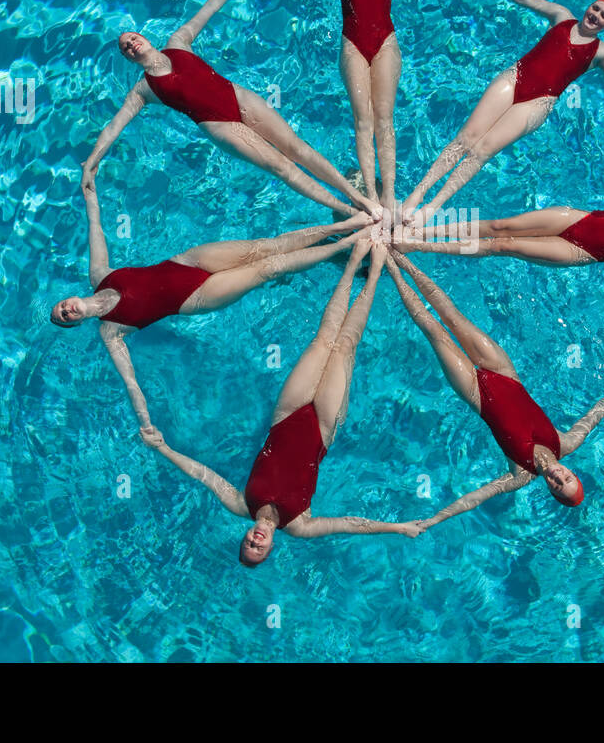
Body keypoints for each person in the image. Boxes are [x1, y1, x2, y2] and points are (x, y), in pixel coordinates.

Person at [141, 241, 426, 565]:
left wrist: (162, 448)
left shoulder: (241, 503)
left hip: (287, 412)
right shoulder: (300, 525)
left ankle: (355, 261)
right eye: (258, 549)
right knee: (345, 346)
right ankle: (375, 272)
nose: (254, 541)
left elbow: (203, 475)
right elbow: (348, 525)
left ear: (245, 536)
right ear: (270, 548)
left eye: (247, 543)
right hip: (323, 424)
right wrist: (397, 527)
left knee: (323, 339)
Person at [49, 162, 371, 437]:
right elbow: (130, 380)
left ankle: (347, 228)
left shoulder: (98, 275)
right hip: (197, 296)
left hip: (188, 261)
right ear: (74, 322)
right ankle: (349, 247)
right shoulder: (111, 331)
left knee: (266, 247)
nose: (67, 310)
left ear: (68, 298)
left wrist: (89, 191)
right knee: (267, 269)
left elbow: (96, 228)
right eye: (65, 317)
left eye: (62, 306)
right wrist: (146, 423)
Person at [396, 116, 604, 384]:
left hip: (577, 250)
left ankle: (417, 245)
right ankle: (423, 228)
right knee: (498, 226)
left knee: (502, 245)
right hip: (575, 218)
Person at [82, 0, 377, 216]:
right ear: (129, 58)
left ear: (143, 37)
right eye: (125, 48)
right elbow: (113, 127)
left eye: (132, 38)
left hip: (239, 97)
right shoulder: (143, 90)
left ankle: (357, 197)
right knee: (281, 166)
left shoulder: (178, 41)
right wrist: (92, 162)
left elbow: (207, 10)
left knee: (296, 149)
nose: (131, 44)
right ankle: (349, 213)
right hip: (220, 125)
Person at [385, 250, 604, 508]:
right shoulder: (566, 442)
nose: (558, 477)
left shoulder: (521, 475)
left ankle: (391, 267)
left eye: (558, 486)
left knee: (434, 330)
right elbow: (596, 413)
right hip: (503, 371)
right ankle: (400, 256)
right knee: (452, 316)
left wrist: (435, 518)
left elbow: (477, 497)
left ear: (551, 491)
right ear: (573, 472)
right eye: (568, 478)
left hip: (474, 392)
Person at [258, 0, 474, 211]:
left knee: (384, 119)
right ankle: (371, 194)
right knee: (363, 120)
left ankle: (389, 193)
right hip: (352, 47)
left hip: (386, 45)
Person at [401, 0, 604, 223]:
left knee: (482, 150)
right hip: (515, 78)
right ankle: (418, 193)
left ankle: (433, 206)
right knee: (465, 139)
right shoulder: (562, 16)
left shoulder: (602, 52)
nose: (595, 15)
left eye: (603, 16)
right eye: (595, 8)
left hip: (539, 102)